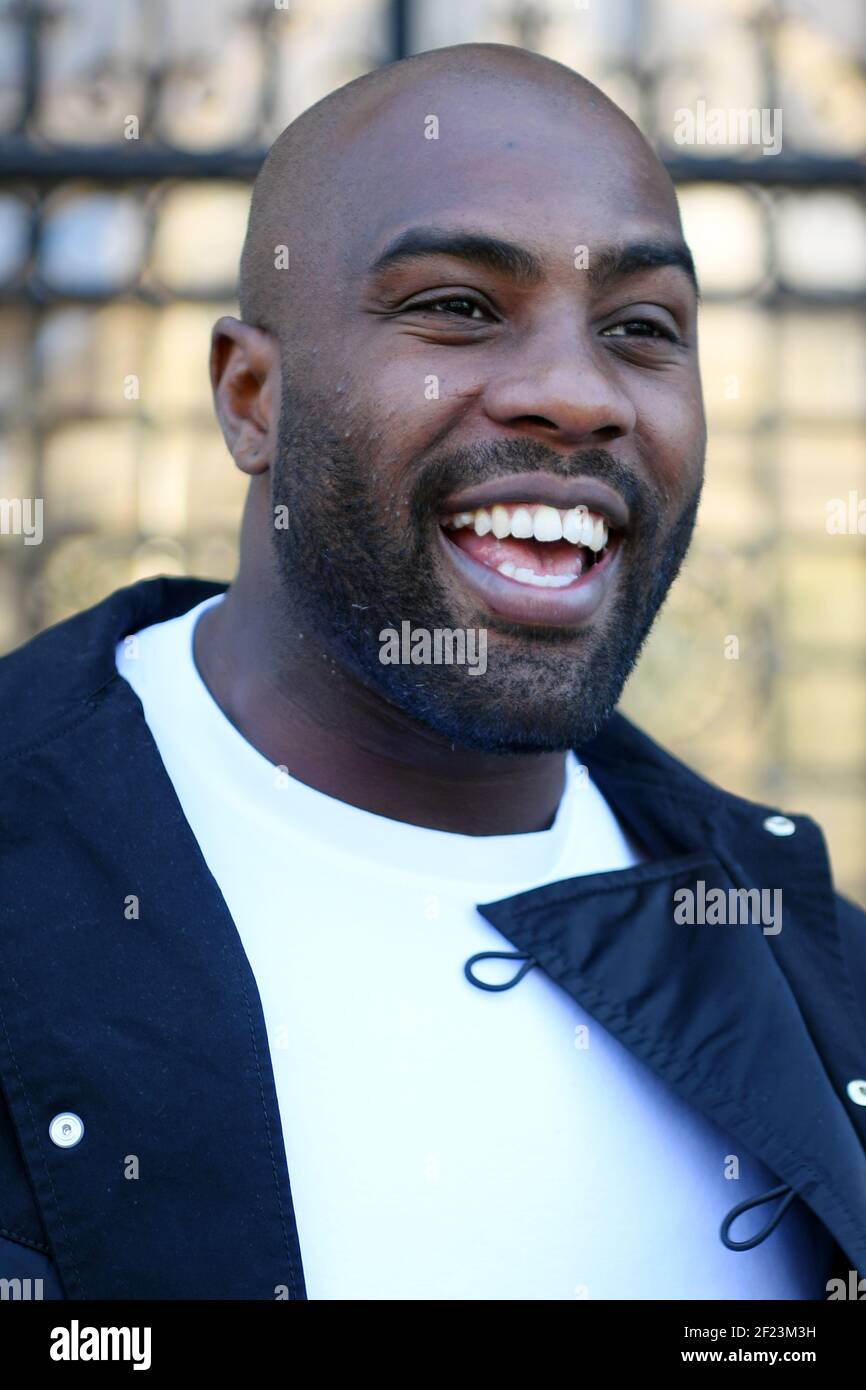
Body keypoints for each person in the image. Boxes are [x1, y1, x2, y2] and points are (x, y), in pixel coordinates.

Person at [1, 42, 864, 1302]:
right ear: (251, 394)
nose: (577, 395)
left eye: (640, 329)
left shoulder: (802, 960)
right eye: (457, 305)